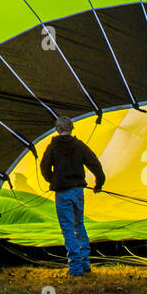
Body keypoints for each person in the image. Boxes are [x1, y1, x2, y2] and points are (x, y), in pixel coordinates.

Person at [40, 116, 106, 276]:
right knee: (79, 225)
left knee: (68, 228)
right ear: (71, 128)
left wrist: (53, 180)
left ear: (57, 129)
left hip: (62, 192)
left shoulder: (53, 147)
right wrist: (99, 183)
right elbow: (95, 163)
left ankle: (75, 267)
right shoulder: (79, 145)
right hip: (77, 191)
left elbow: (44, 167)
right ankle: (85, 262)